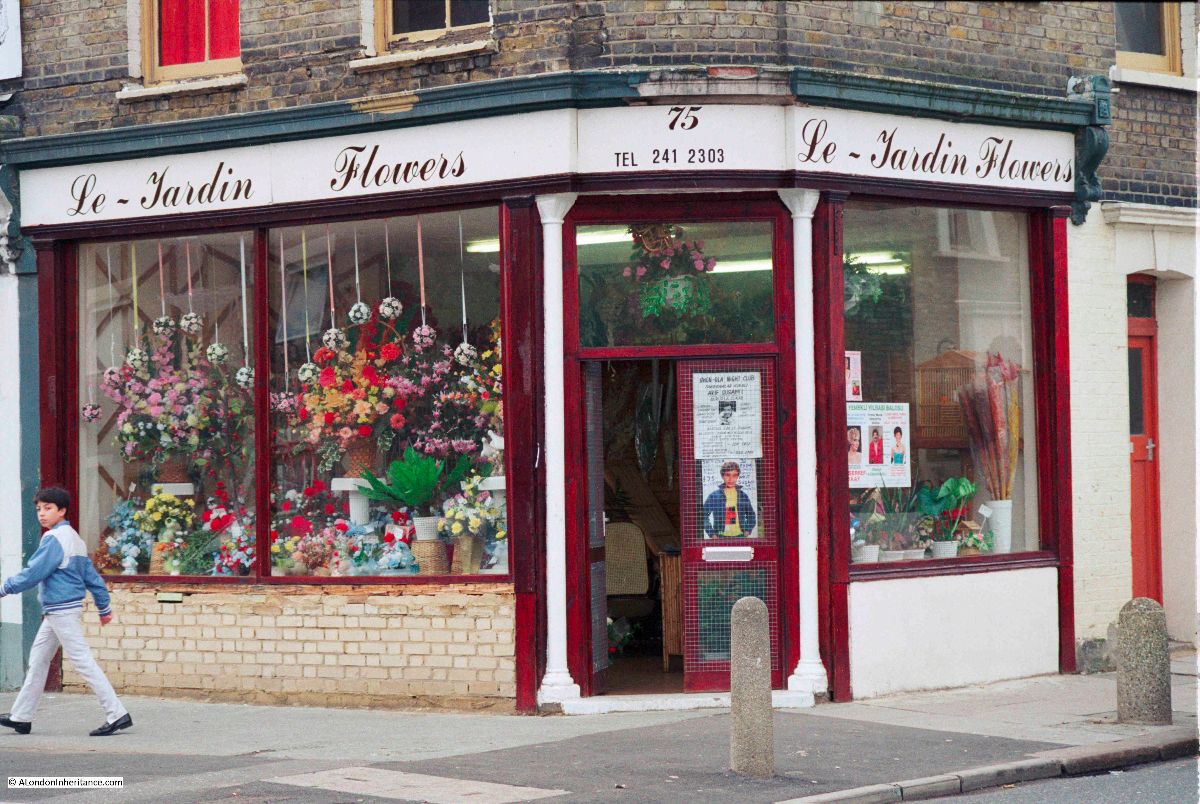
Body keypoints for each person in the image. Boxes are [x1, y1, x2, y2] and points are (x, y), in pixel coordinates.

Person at [0, 487, 132, 737]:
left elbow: (34, 572)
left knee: (82, 661)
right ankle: (22, 717)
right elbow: (92, 577)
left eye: (48, 508)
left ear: (62, 510)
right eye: (39, 509)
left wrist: (5, 588)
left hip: (61, 609)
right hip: (60, 610)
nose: (41, 513)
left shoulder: (54, 539)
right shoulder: (74, 539)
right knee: (39, 659)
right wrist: (103, 607)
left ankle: (117, 713)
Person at [702, 461, 757, 538]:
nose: (731, 479)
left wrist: (748, 530)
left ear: (738, 476)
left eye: (734, 475)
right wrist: (712, 534)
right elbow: (703, 515)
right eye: (727, 475)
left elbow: (751, 515)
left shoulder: (743, 496)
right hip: (720, 536)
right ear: (722, 476)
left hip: (740, 536)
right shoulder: (714, 496)